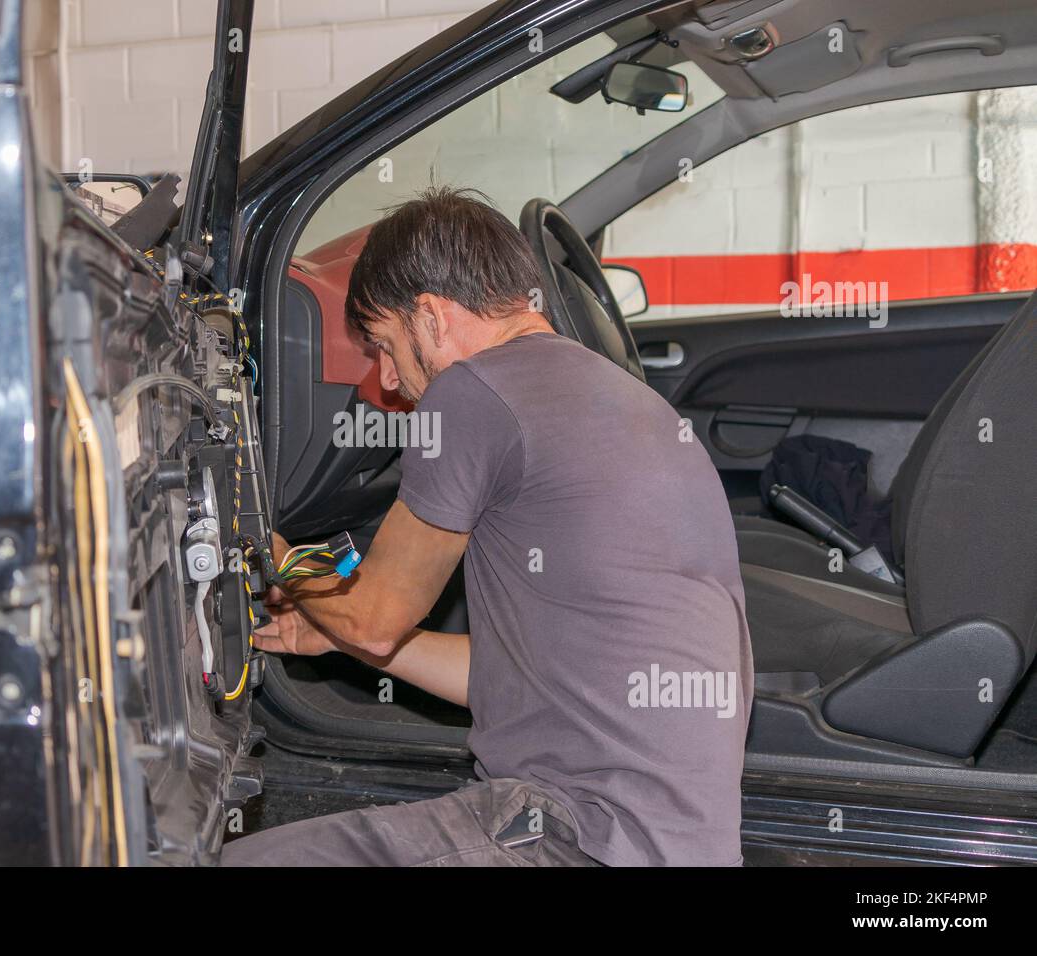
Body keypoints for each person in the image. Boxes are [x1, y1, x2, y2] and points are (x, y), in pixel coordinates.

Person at [222, 187, 752, 866]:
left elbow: (377, 614)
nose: (386, 381)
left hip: (572, 836)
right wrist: (341, 635)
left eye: (385, 345)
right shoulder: (617, 394)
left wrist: (256, 531)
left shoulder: (472, 392)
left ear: (434, 318)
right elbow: (522, 676)